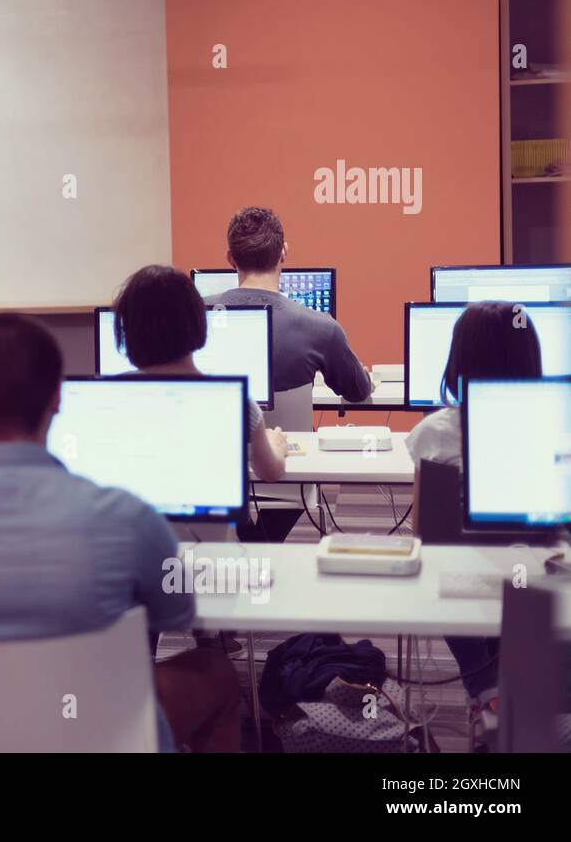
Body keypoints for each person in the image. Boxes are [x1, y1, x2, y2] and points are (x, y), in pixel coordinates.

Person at [0, 314, 241, 752]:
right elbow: (177, 614)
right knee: (218, 672)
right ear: (57, 397)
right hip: (97, 731)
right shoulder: (129, 517)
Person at [404, 301, 542, 737]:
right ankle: (502, 689)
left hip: (459, 586)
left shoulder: (434, 433)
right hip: (535, 580)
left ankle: (484, 691)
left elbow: (421, 532)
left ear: (458, 360)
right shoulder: (552, 426)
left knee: (448, 570)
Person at [202, 207, 373, 542]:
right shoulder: (321, 327)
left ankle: (248, 543)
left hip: (208, 470)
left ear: (229, 258)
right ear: (284, 253)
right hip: (290, 476)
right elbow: (357, 393)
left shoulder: (193, 317)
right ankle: (260, 543)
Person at [112, 265, 287, 483]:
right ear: (198, 323)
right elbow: (270, 472)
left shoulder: (107, 397)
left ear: (126, 331)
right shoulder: (237, 401)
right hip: (211, 518)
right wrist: (277, 446)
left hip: (132, 517)